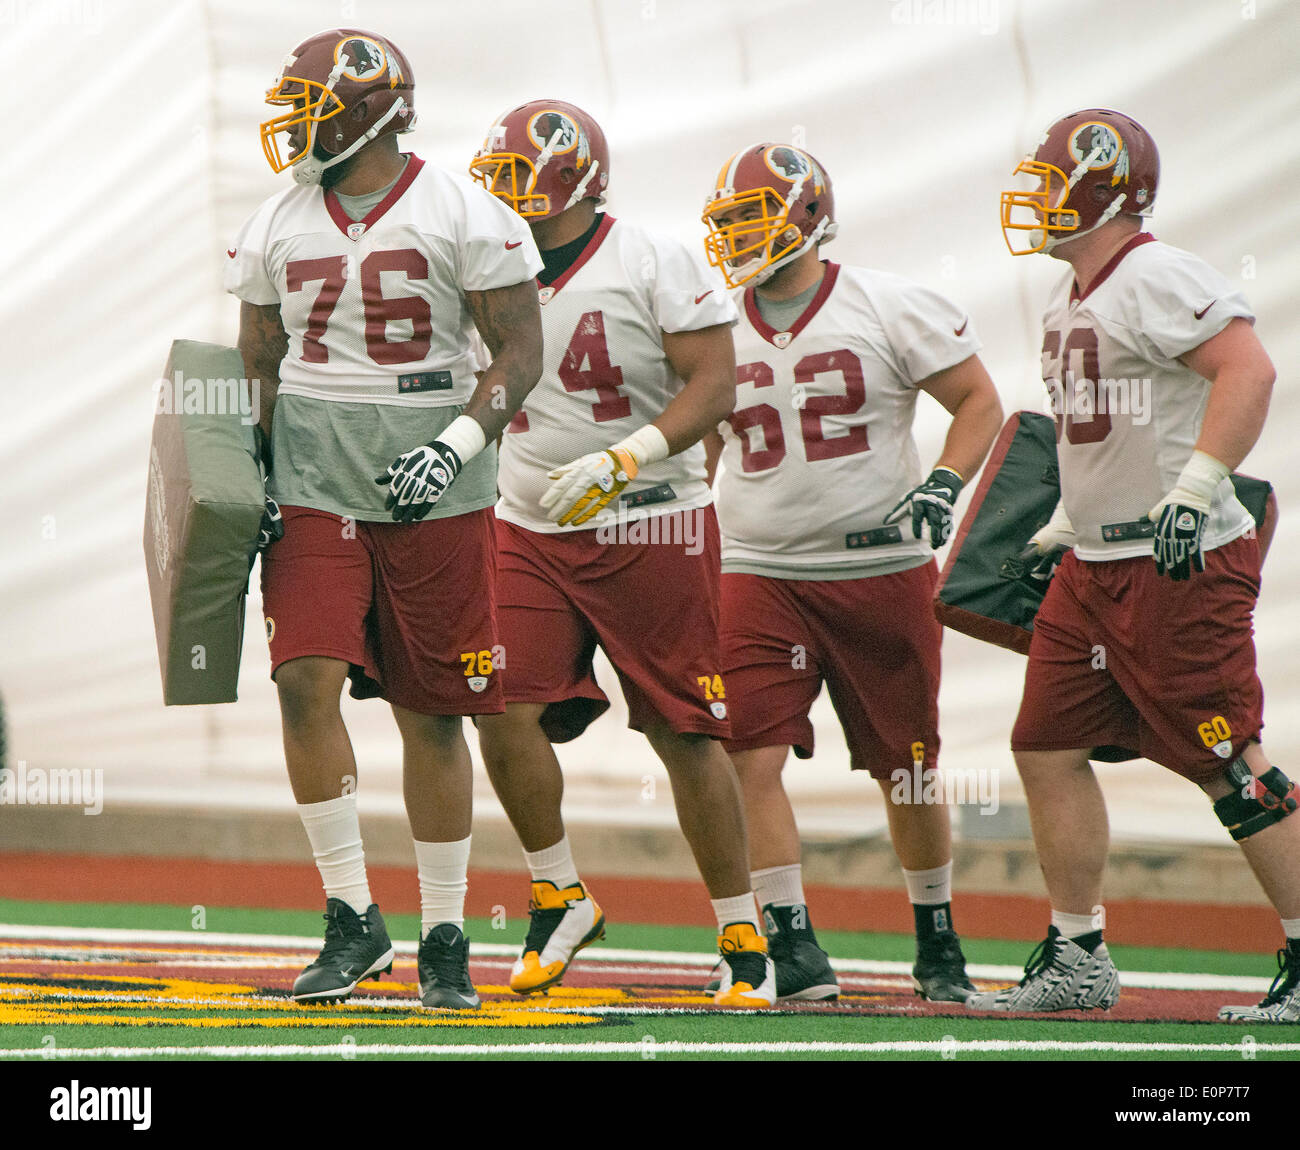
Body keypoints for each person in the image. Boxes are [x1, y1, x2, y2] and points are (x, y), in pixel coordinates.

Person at [225, 29, 543, 1010]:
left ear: (368, 109)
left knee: (433, 710)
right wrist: (246, 475)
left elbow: (519, 349)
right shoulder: (278, 222)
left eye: (311, 104)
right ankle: (352, 918)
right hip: (316, 478)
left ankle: (443, 931)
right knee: (301, 680)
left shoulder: (464, 212)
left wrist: (454, 441)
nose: (294, 125)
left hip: (435, 484)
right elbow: (256, 362)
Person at [967, 108, 1297, 1020]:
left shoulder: (1153, 273)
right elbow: (1109, 427)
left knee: (1229, 762)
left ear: (1107, 189)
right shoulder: (1070, 291)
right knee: (1046, 747)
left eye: (1050, 181)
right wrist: (1070, 519)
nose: (1034, 198)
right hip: (1099, 560)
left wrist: (1196, 486)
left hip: (1178, 556)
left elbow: (1249, 370)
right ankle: (1077, 955)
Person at [467, 100, 777, 1007]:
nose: (499, 193)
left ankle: (739, 930)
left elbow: (714, 384)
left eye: (515, 174)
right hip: (528, 523)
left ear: (571, 176)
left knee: (687, 731)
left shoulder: (650, 258)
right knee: (500, 704)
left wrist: (627, 456)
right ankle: (559, 891)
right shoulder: (483, 266)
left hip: (652, 522)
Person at [698, 143, 1003, 1001]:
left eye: (752, 217)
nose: (737, 238)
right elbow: (712, 448)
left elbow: (978, 400)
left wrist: (944, 481)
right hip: (757, 569)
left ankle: (936, 939)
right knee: (747, 756)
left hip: (880, 568)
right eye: (727, 222)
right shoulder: (712, 323)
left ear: (806, 216)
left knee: (905, 766)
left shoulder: (887, 304)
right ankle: (793, 947)